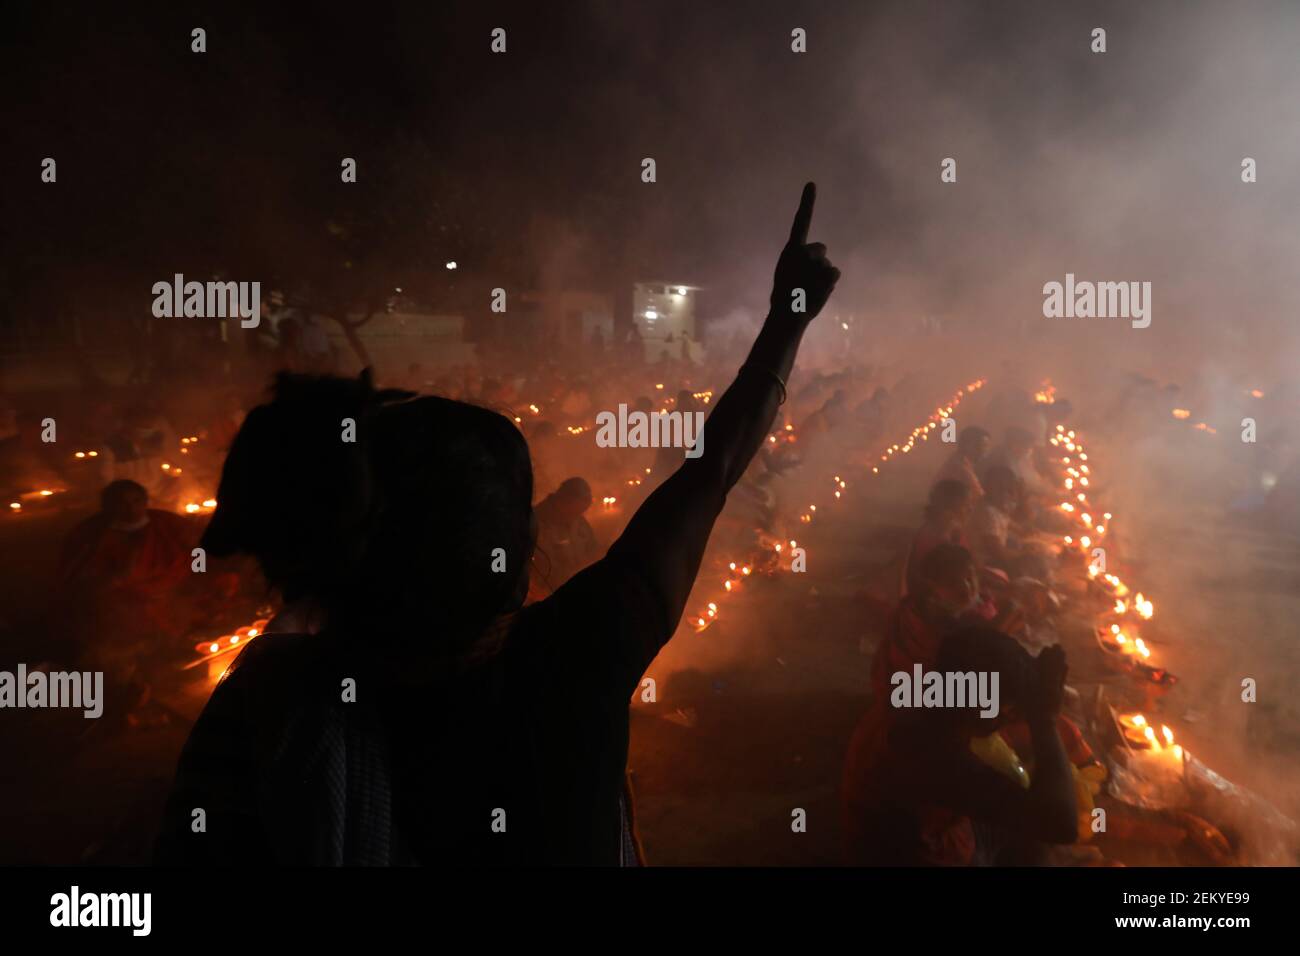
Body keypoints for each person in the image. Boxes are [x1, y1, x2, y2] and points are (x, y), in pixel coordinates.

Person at [155, 182, 840, 866]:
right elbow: (709, 472)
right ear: (513, 562)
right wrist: (789, 319)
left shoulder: (261, 712)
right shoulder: (580, 655)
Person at [843, 625, 1078, 865]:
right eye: (1006, 711)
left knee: (1031, 831)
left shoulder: (926, 694)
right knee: (1038, 846)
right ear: (977, 707)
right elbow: (1062, 825)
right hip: (902, 852)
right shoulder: (932, 755)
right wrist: (1044, 719)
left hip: (904, 824)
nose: (1008, 719)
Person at [905, 480, 973, 596]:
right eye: (965, 505)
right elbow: (950, 574)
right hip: (936, 595)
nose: (970, 509)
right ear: (951, 506)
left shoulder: (948, 528)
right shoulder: (943, 531)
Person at [533, 477, 600, 588]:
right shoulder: (537, 523)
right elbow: (539, 569)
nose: (579, 514)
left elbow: (593, 549)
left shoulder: (578, 521)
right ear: (564, 500)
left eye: (582, 511)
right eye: (577, 509)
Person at [935, 426, 991, 499]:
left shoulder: (957, 462)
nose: (985, 451)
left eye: (987, 446)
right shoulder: (960, 468)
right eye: (983, 445)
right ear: (968, 445)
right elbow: (980, 498)